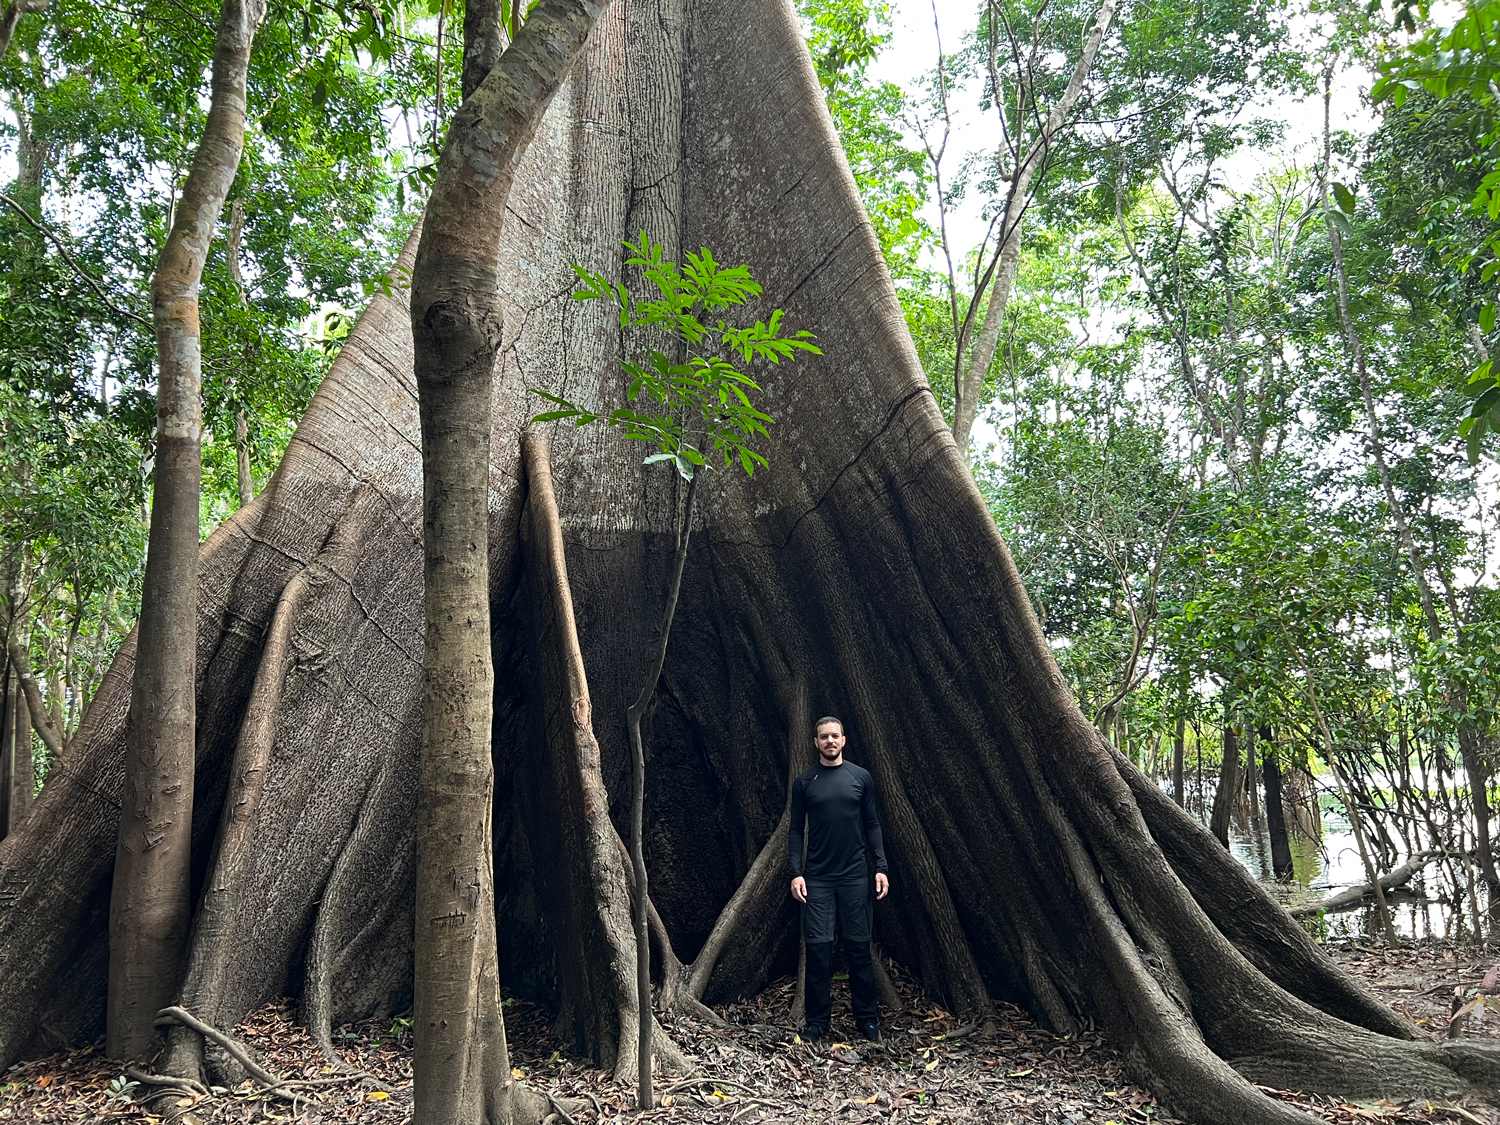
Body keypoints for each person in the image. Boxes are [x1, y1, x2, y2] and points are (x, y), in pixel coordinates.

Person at [788, 715, 890, 1046]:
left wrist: (881, 867)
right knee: (818, 949)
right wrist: (796, 872)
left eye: (835, 736)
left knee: (859, 947)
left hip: (855, 876)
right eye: (823, 737)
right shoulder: (805, 782)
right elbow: (794, 830)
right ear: (815, 742)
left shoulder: (860, 777)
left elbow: (872, 824)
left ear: (843, 740)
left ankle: (867, 1019)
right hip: (816, 878)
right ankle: (817, 1021)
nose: (830, 741)